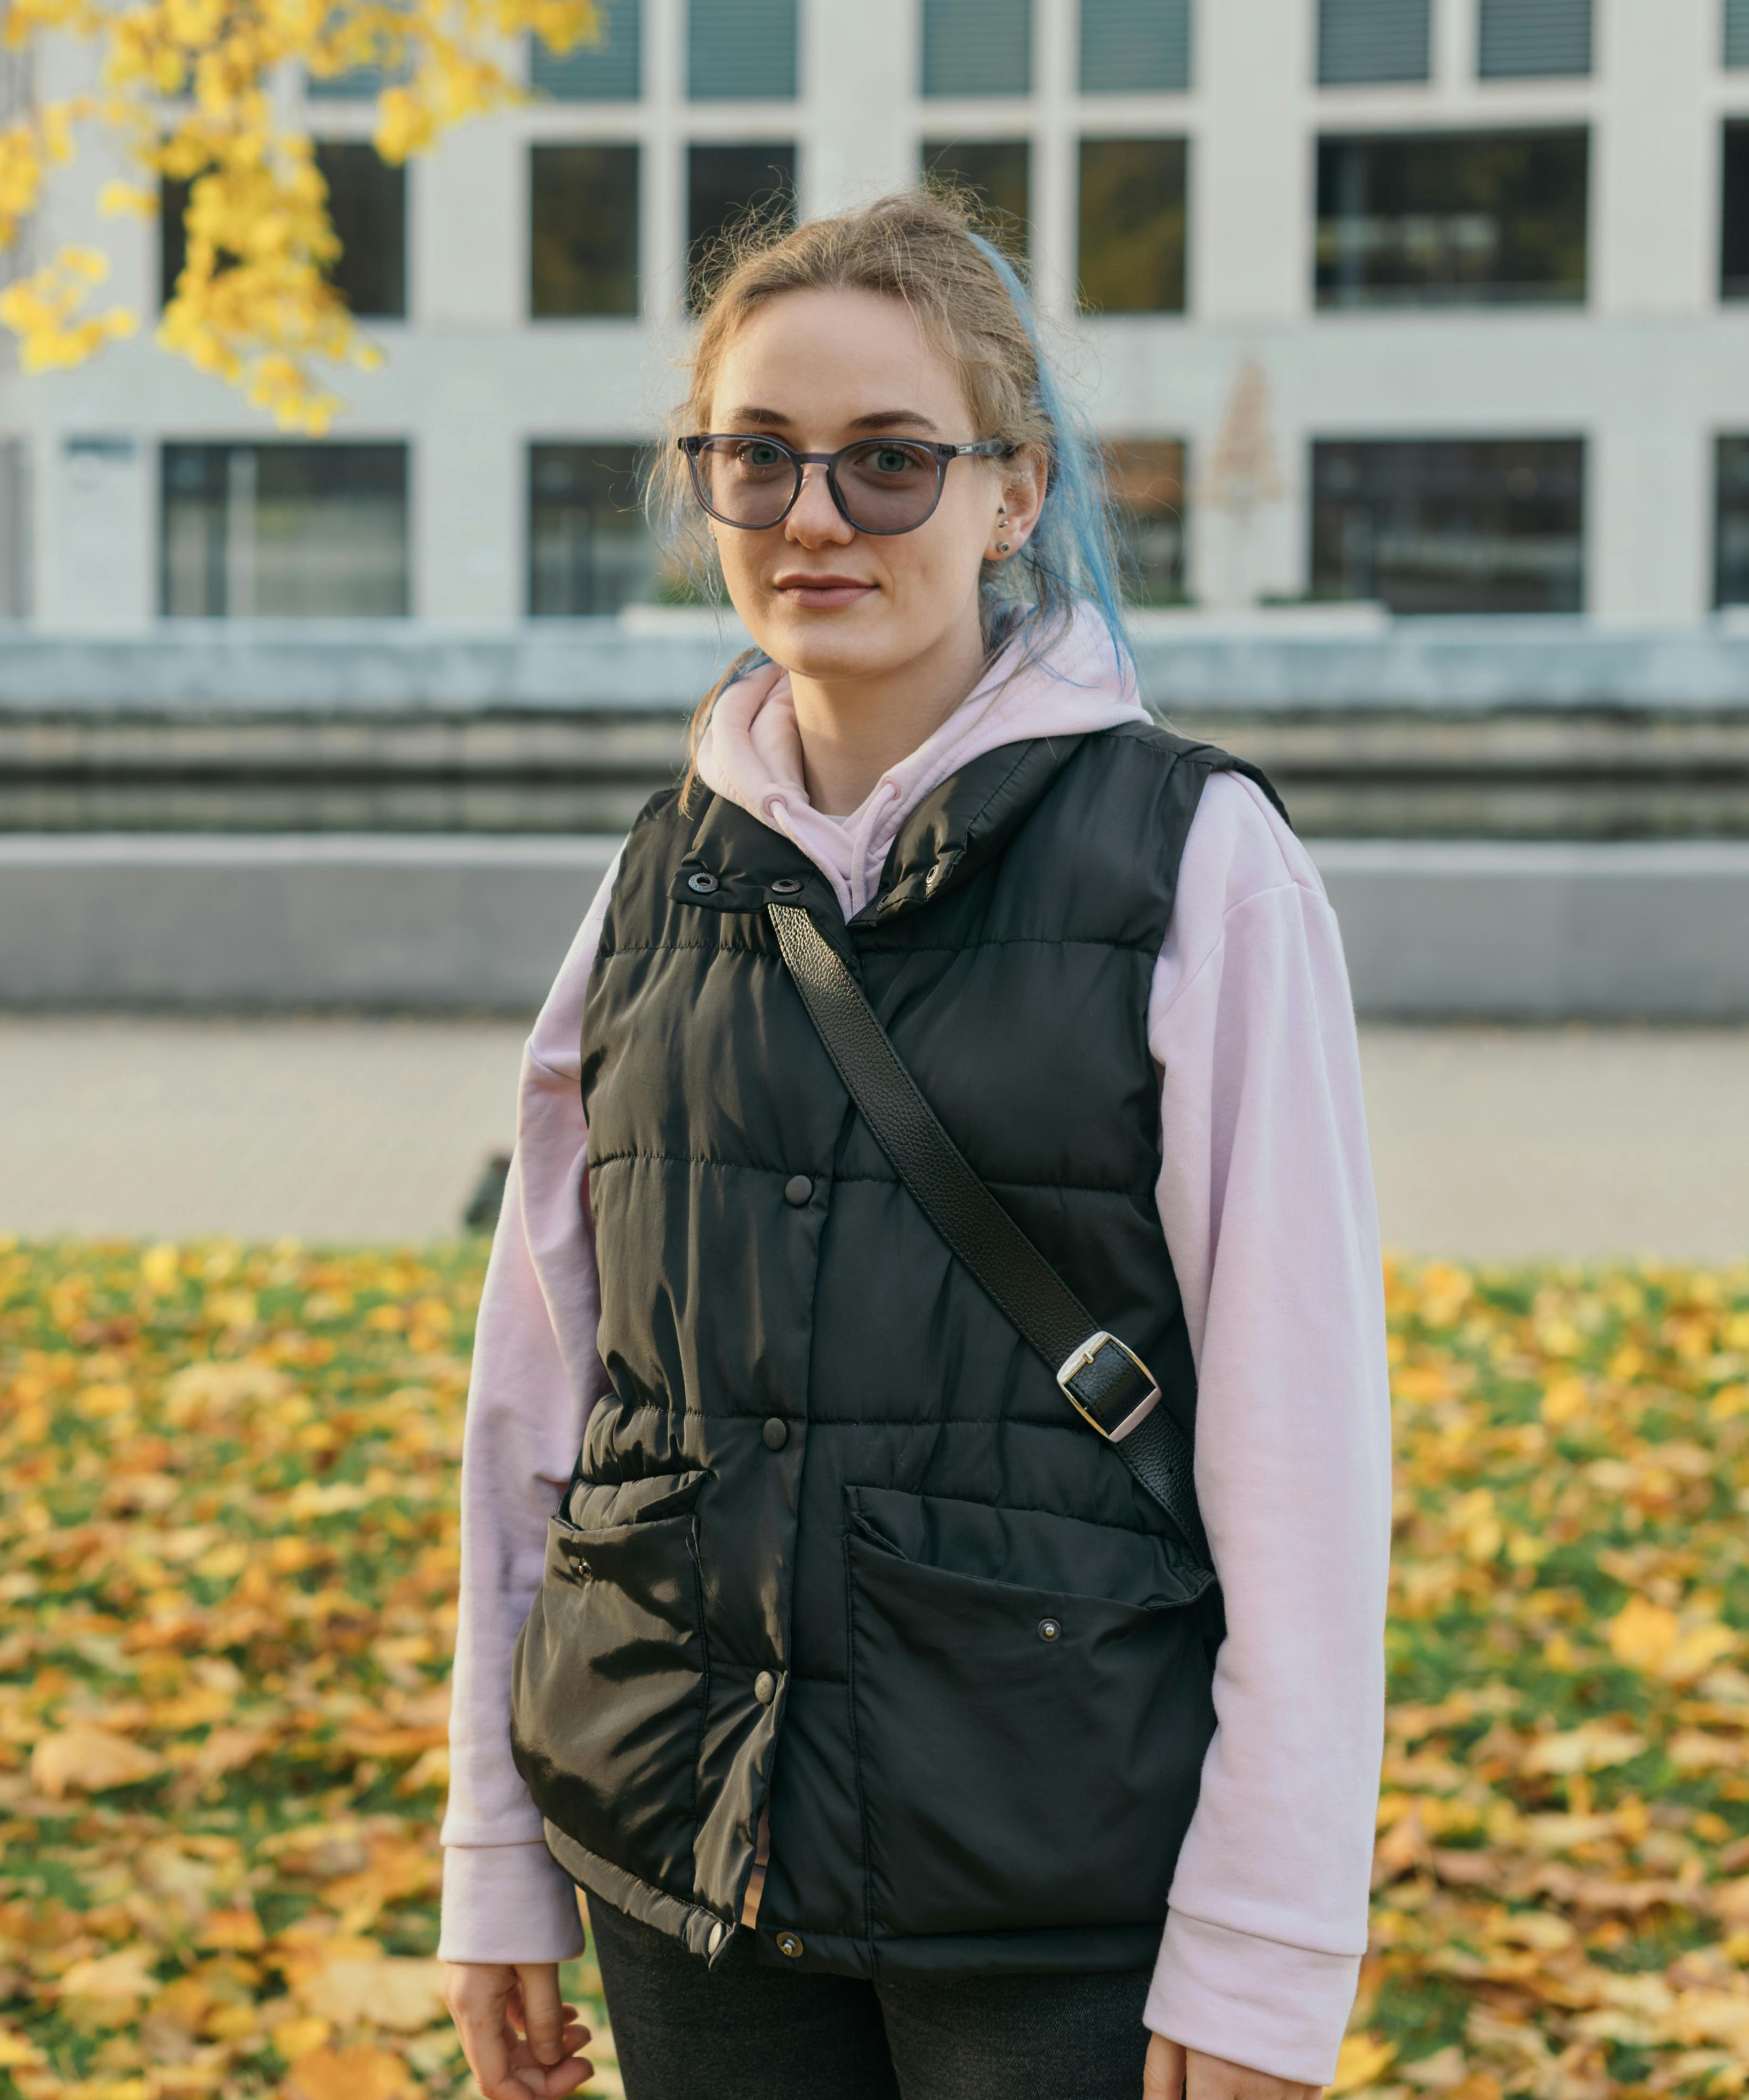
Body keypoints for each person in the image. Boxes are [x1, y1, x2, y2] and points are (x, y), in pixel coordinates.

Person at [437, 190, 1390, 2100]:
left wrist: (1272, 1941)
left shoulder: (1199, 864)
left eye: (888, 463)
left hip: (1050, 1864)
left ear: (1012, 491)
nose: (813, 516)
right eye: (757, 459)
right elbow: (540, 1400)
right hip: (679, 1842)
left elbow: (1300, 1439)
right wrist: (493, 1857)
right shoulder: (657, 876)